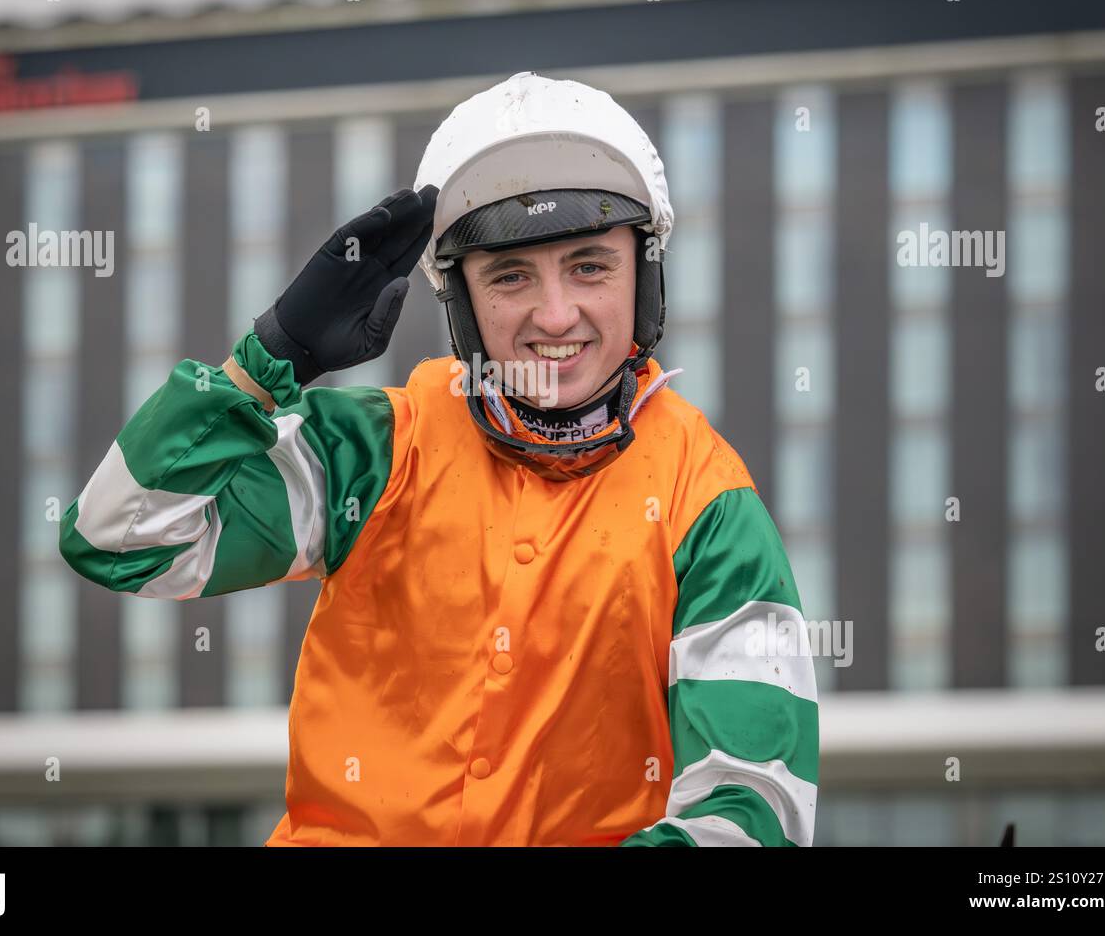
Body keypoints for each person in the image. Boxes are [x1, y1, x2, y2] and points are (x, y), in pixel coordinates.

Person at [59, 71, 819, 847]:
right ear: (460, 303)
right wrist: (265, 362)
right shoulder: (374, 451)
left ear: (644, 275)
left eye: (589, 265)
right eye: (511, 276)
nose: (555, 315)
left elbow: (753, 813)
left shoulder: (711, 506)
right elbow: (120, 541)